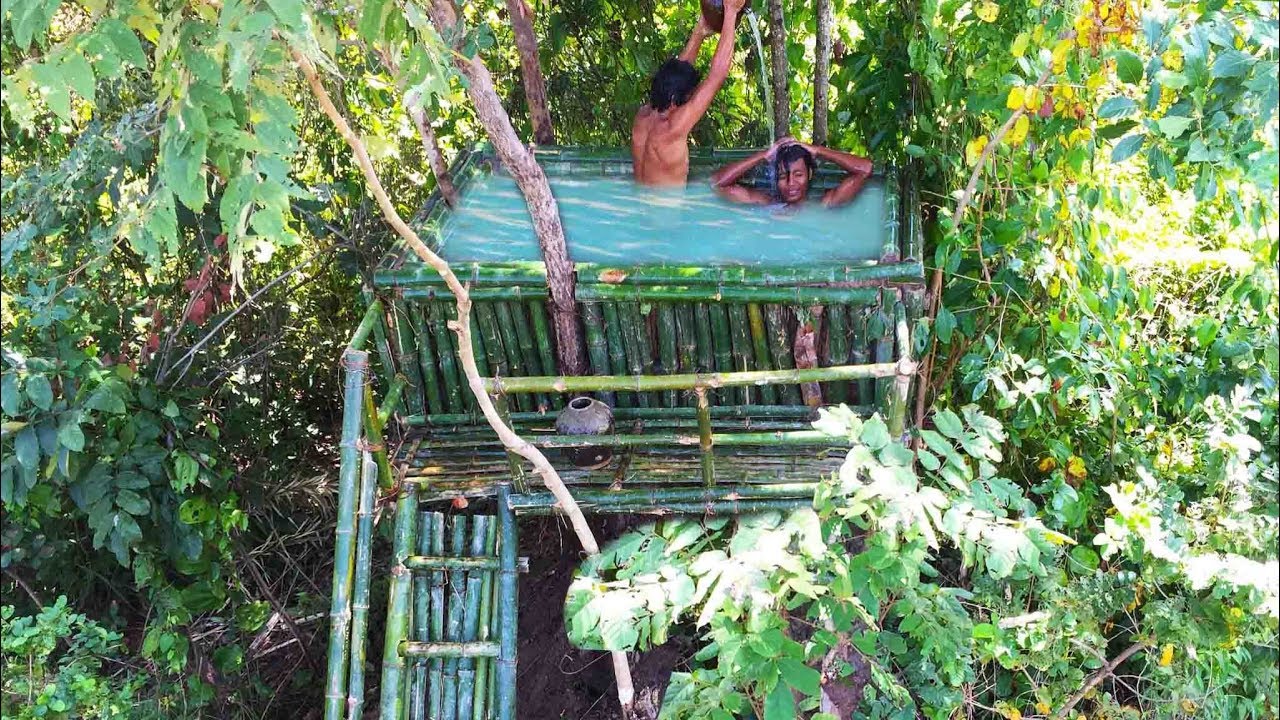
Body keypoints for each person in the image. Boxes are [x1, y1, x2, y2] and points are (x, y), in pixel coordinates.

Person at [632, 0, 747, 186]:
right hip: (668, 216)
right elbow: (717, 75)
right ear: (675, 99)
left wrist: (700, 31)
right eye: (689, 96)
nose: (692, 98)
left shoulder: (643, 117)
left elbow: (677, 73)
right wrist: (731, 12)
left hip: (642, 212)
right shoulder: (673, 127)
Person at [711, 137, 874, 208]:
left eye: (798, 175)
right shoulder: (765, 203)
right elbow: (718, 184)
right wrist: (763, 155)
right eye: (783, 176)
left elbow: (865, 169)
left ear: (809, 174)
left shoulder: (822, 205)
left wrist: (817, 150)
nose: (790, 184)